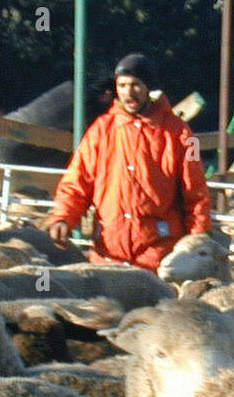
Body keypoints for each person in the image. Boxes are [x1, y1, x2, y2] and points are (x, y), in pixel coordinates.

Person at [46, 53, 211, 272]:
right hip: (108, 251)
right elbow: (77, 182)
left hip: (158, 252)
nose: (128, 92)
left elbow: (196, 191)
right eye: (122, 85)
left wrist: (198, 238)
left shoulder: (178, 132)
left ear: (149, 88)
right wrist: (63, 218)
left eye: (135, 85)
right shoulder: (101, 130)